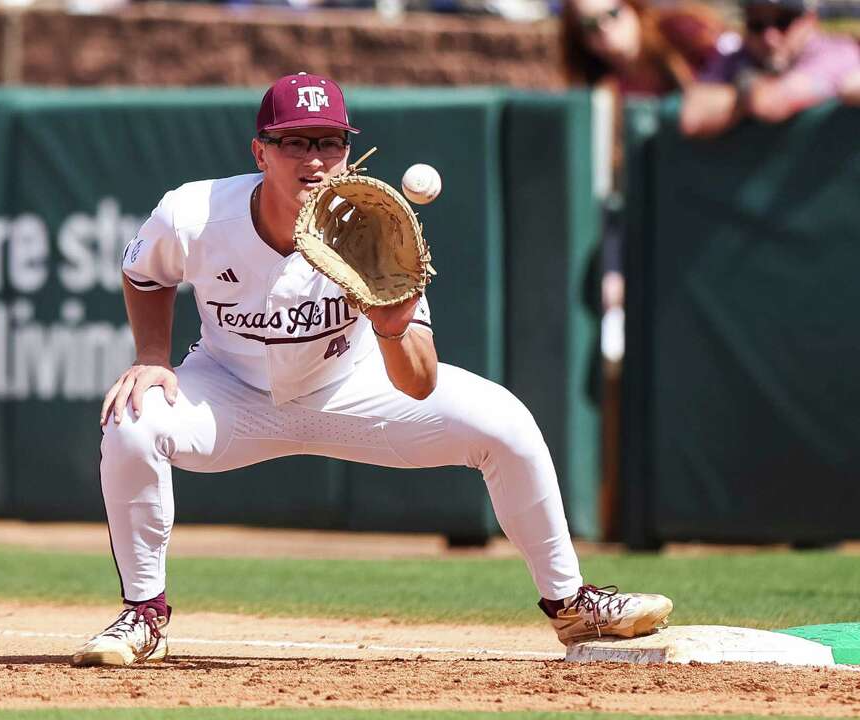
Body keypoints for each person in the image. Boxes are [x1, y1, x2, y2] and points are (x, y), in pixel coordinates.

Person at [69, 72, 674, 667]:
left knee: (506, 423)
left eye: (330, 141)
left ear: (348, 152)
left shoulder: (376, 226)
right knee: (133, 418)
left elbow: (417, 382)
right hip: (230, 389)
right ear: (261, 151)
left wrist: (389, 323)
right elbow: (145, 274)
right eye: (295, 141)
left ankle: (570, 601)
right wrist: (151, 358)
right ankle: (144, 614)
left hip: (353, 388)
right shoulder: (194, 213)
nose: (314, 159)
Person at [681, 0, 860, 137]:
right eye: (757, 25)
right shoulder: (738, 55)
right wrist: (750, 90)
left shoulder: (837, 52)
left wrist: (742, 89)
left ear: (809, 20)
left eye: (783, 22)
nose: (769, 36)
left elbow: (769, 104)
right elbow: (693, 119)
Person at [560, 0, 725, 98]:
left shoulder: (680, 30)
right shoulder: (598, 90)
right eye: (590, 24)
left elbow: (738, 59)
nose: (604, 27)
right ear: (580, 39)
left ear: (632, 7)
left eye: (612, 14)